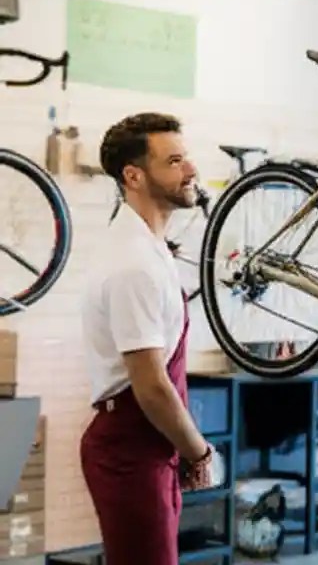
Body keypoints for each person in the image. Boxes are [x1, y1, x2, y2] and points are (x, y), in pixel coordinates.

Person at [80, 113, 218, 565]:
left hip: (151, 444)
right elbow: (152, 386)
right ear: (134, 176)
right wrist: (199, 451)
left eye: (186, 157)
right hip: (130, 446)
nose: (191, 169)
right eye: (174, 161)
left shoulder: (150, 248)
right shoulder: (133, 263)